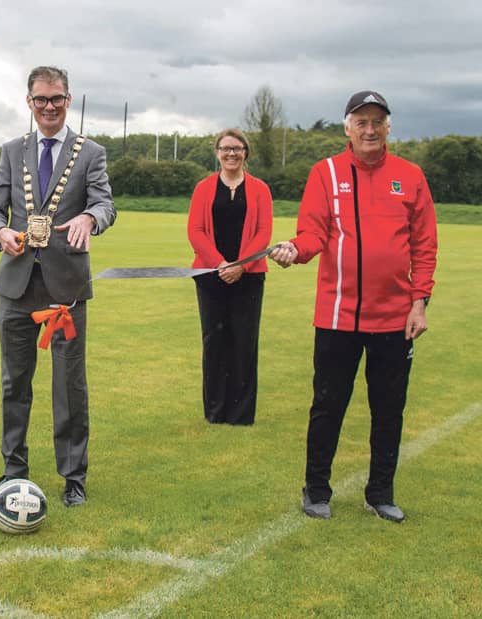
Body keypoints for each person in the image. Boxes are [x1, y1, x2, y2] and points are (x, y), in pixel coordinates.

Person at [269, 90, 437, 523]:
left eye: (377, 121)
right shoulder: (325, 172)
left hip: (395, 319)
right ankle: (317, 489)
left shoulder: (410, 176)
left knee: (388, 410)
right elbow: (313, 233)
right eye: (361, 121)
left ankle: (380, 492)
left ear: (388, 127)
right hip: (338, 316)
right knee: (327, 405)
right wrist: (294, 249)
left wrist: (419, 303)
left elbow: (424, 245)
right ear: (347, 127)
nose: (369, 129)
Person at [0, 66, 116, 507]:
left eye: (57, 99)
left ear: (68, 100)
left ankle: (73, 477)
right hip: (17, 285)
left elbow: (104, 203)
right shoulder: (10, 151)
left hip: (65, 289)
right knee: (13, 384)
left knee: (69, 387)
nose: (50, 107)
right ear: (29, 103)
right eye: (41, 100)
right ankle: (12, 472)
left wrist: (89, 218)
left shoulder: (90, 152)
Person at [187, 128, 273, 425]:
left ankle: (241, 413)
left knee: (244, 342)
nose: (231, 153)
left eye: (237, 148)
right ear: (217, 152)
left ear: (245, 152)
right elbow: (195, 231)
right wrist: (221, 263)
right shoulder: (203, 188)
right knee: (214, 342)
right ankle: (215, 411)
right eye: (225, 148)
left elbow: (263, 232)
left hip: (248, 278)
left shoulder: (260, 189)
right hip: (211, 276)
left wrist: (241, 265)